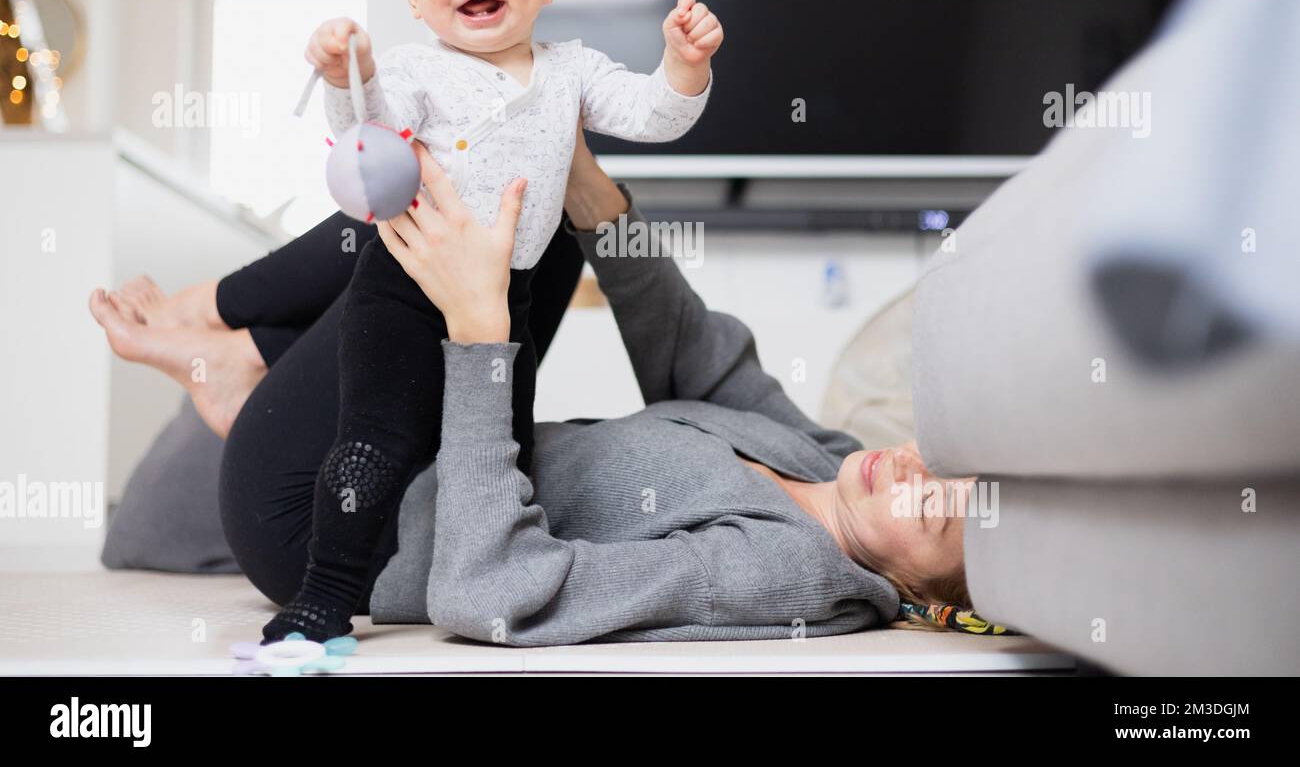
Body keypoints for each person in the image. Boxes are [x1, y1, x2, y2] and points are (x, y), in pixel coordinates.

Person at [90, 128, 976, 645]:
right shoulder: (830, 462)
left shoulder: (784, 573)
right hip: (409, 458)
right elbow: (702, 361)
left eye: (932, 511)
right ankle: (244, 360)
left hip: (323, 519)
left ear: (934, 601)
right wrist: (592, 191)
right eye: (938, 466)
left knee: (442, 175)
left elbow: (492, 589)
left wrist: (483, 333)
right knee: (527, 180)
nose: (907, 473)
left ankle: (211, 314)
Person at [252, 0, 721, 641]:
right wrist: (347, 73)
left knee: (503, 454)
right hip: (405, 289)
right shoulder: (415, 70)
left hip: (510, 301)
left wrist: (685, 67)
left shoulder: (573, 69)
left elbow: (655, 115)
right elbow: (371, 133)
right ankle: (325, 594)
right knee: (373, 442)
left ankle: (466, 572)